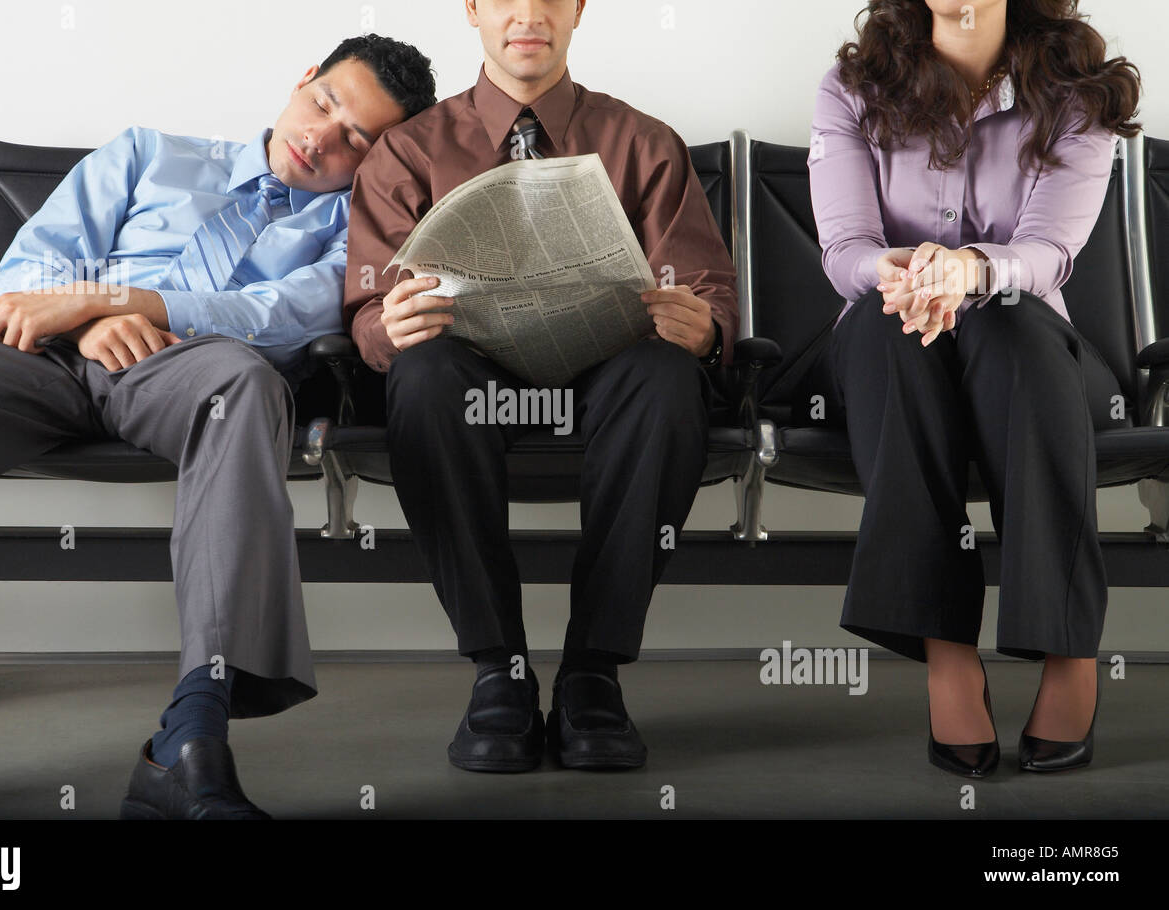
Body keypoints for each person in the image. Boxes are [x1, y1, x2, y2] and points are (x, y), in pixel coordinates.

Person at [0, 34, 436, 818]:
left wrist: (118, 304)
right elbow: (30, 268)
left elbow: (279, 316)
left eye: (357, 140)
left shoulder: (357, 229)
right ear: (304, 78)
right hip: (50, 358)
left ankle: (191, 733)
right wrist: (83, 326)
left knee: (246, 382)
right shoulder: (147, 153)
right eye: (325, 102)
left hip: (189, 367)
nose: (322, 136)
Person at [343, 0, 738, 773]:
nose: (530, 14)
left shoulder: (644, 142)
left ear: (581, 8)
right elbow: (366, 306)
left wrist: (708, 327)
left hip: (613, 367)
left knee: (666, 378)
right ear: (473, 10)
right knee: (423, 376)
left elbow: (707, 293)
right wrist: (386, 323)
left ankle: (595, 668)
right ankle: (501, 669)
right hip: (467, 368)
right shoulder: (407, 150)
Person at [789, 0, 1140, 776]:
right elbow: (846, 248)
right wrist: (896, 273)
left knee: (1010, 323)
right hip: (890, 337)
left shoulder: (1076, 91)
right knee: (888, 331)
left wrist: (971, 270)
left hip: (1027, 345)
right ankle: (948, 655)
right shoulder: (852, 88)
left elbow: (1048, 251)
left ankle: (1066, 649)